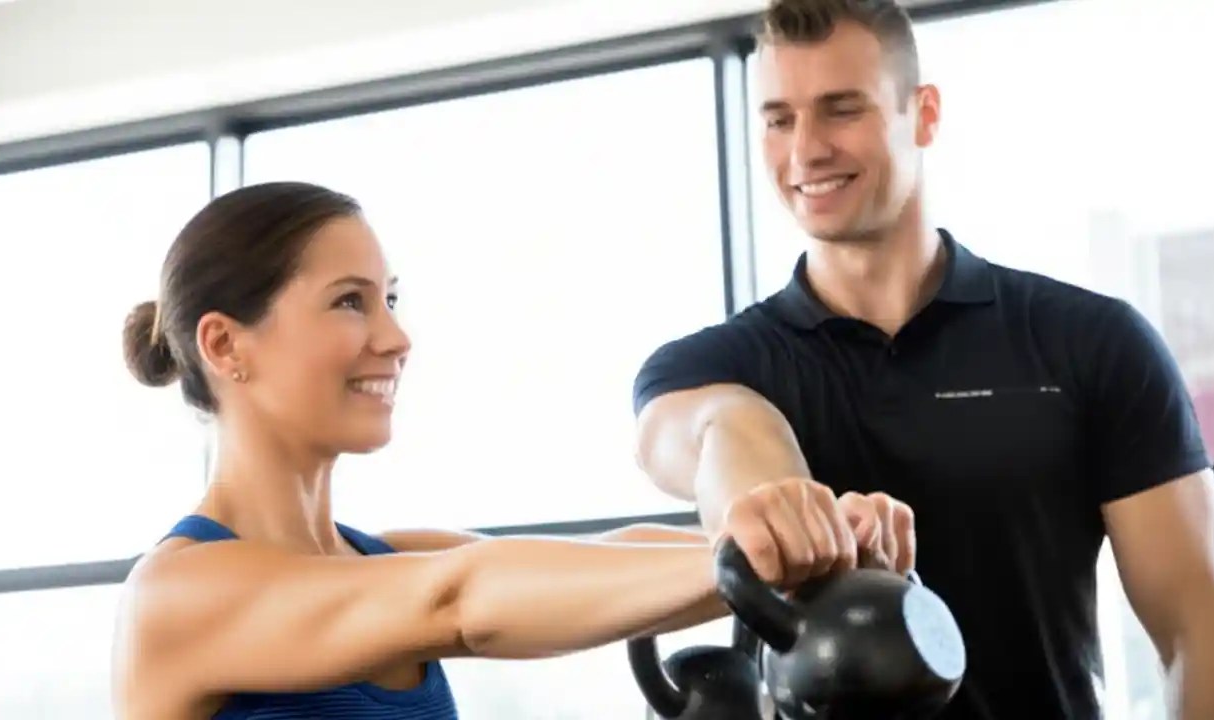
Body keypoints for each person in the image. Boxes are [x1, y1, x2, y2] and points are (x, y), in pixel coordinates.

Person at [631, 1, 1214, 719]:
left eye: (841, 110)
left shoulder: (1092, 342)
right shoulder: (708, 368)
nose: (805, 151)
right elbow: (707, 431)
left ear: (923, 114)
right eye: (778, 119)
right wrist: (778, 502)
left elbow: (1194, 625)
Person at [108, 181, 885, 719]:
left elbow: (596, 557)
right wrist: (752, 559)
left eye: (391, 299)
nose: (396, 336)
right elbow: (461, 601)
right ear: (224, 344)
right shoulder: (176, 596)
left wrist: (815, 544)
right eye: (350, 301)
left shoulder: (379, 560)